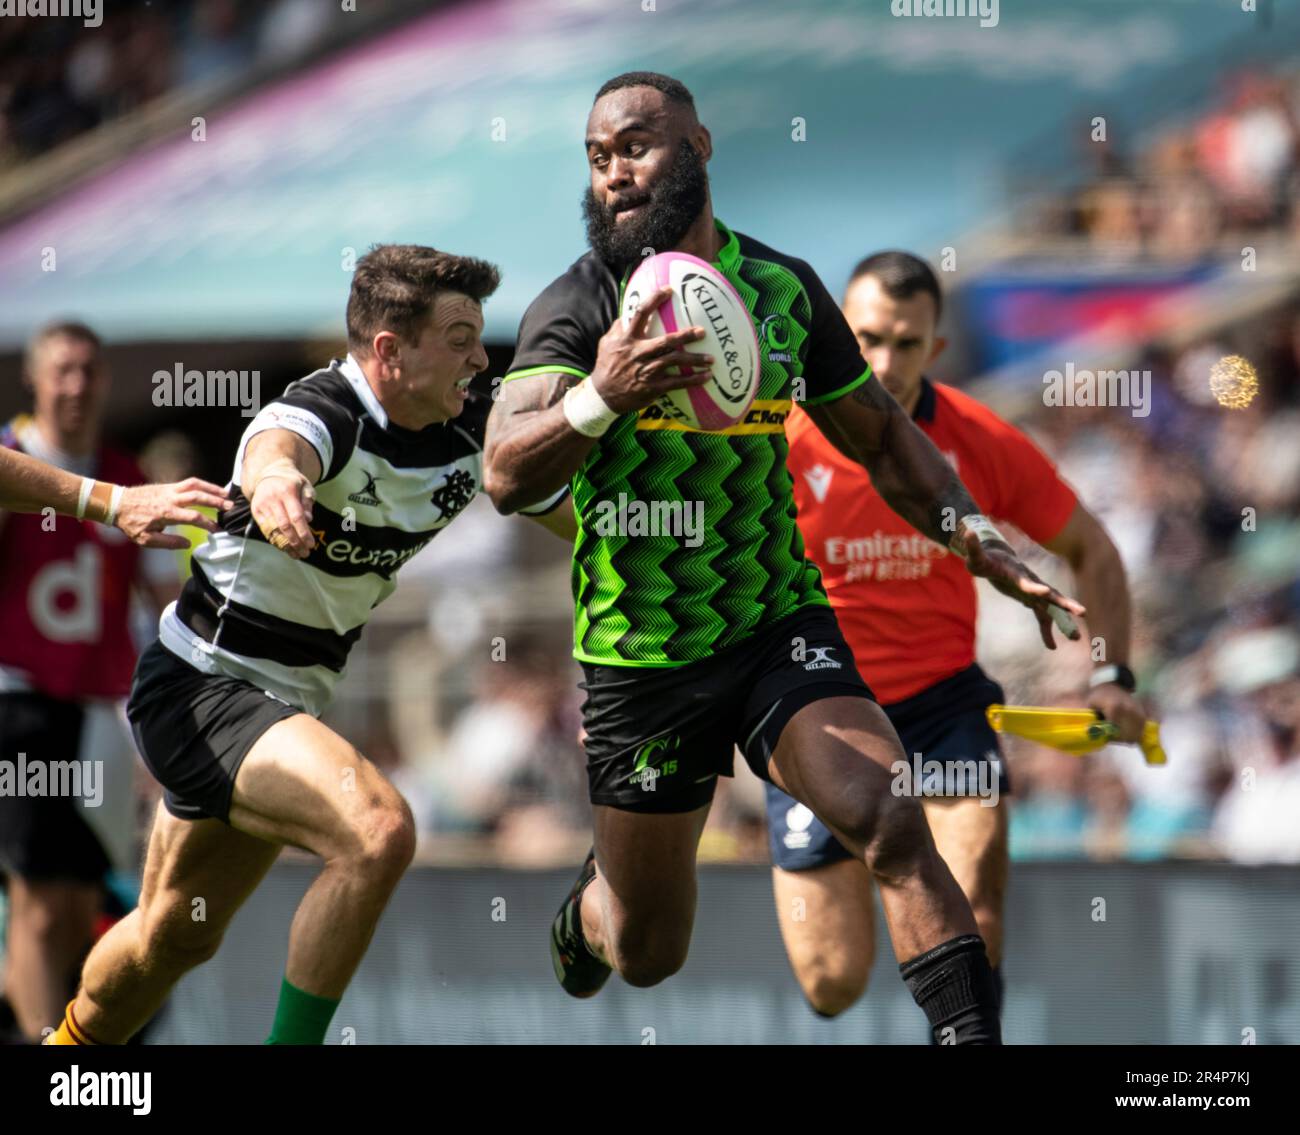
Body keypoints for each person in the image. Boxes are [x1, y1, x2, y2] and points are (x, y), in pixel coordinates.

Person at [484, 72, 1084, 1044]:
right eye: (598, 159)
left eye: (635, 147)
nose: (614, 175)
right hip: (643, 657)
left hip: (776, 626)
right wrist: (603, 394)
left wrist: (976, 538)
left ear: (700, 147)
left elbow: (885, 440)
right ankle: (593, 909)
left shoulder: (781, 288)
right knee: (646, 952)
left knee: (890, 815)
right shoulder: (578, 307)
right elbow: (505, 473)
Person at [45, 245, 568, 1046]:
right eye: (459, 336)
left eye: (479, 336)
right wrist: (279, 483)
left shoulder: (471, 424)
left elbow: (567, 510)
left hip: (284, 703)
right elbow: (276, 449)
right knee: (379, 830)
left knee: (172, 936)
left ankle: (65, 1055)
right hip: (202, 685)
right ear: (390, 351)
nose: (478, 355)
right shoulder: (324, 409)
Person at [766, 251, 1145, 1026]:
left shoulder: (977, 437)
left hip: (943, 707)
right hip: (821, 714)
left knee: (974, 911)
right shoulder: (781, 434)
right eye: (867, 338)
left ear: (936, 348)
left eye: (907, 344)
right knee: (831, 980)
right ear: (837, 332)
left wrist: (1114, 676)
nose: (884, 361)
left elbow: (1093, 551)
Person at [0, 322, 217, 1043]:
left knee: (77, 897)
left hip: (99, 711)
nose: (76, 385)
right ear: (34, 379)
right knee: (34, 893)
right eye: (61, 369)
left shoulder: (131, 480)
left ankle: (50, 1035)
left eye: (89, 369)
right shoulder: (15, 461)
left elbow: (169, 605)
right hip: (18, 698)